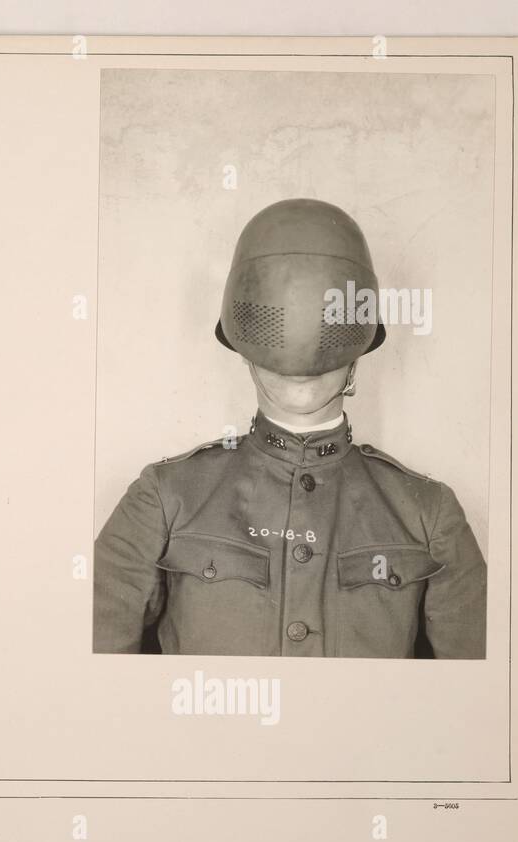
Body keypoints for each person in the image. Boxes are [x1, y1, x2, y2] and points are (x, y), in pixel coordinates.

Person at [93, 198, 486, 658]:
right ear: (242, 348)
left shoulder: (428, 514)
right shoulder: (163, 499)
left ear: (358, 352)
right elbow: (95, 683)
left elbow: (476, 704)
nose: (301, 351)